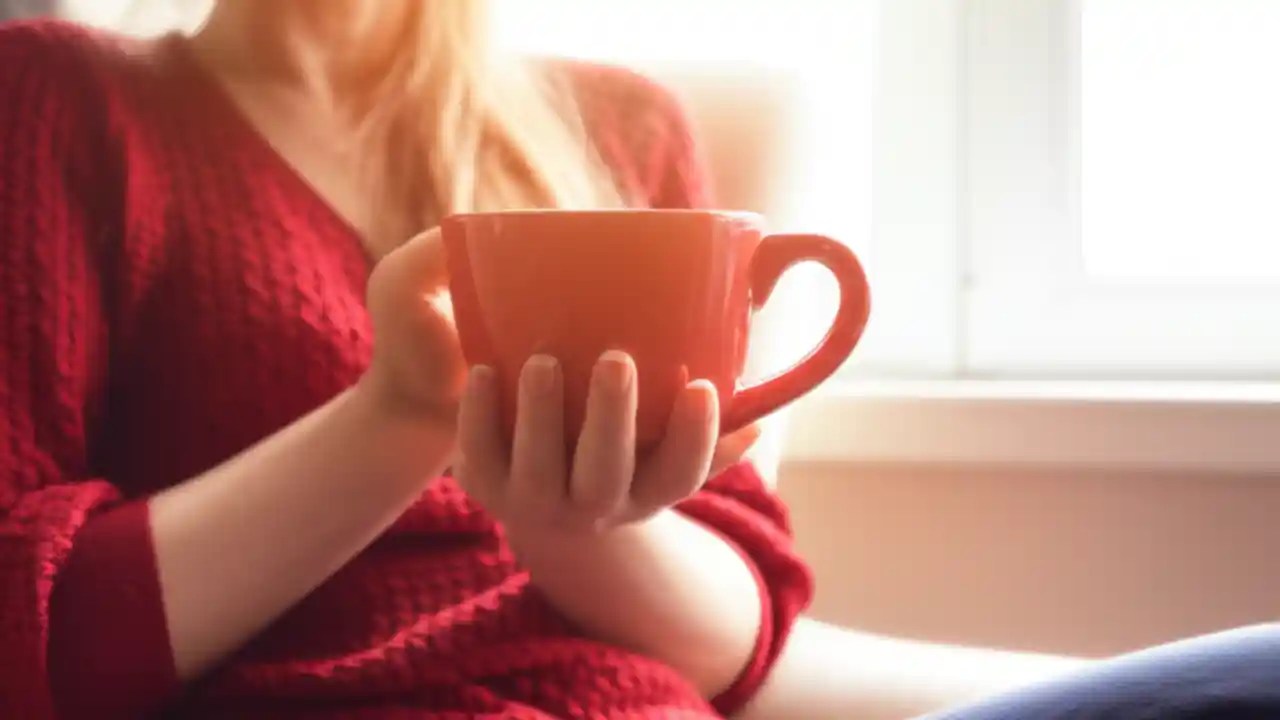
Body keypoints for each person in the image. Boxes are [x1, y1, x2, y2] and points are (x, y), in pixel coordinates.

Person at [0, 1, 1153, 718]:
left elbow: (736, 642)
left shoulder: (620, 127)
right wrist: (399, 416)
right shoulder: (61, 100)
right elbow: (28, 641)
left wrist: (567, 521)